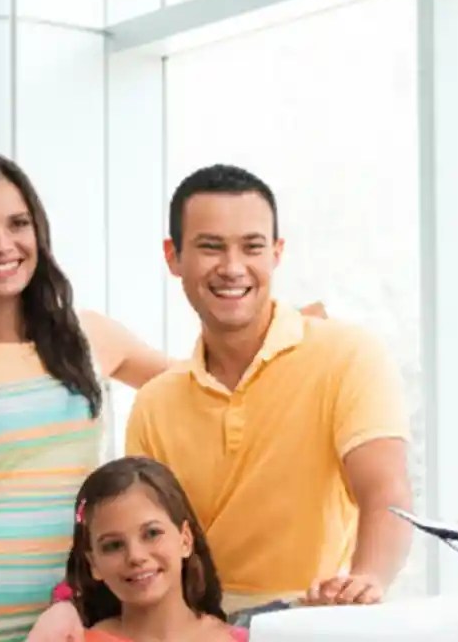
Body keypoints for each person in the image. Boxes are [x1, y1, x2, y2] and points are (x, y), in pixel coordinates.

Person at [0, 155, 174, 642]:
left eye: (17, 224)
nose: (3, 245)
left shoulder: (91, 336)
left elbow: (200, 389)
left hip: (64, 624)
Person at [126, 164, 413, 614]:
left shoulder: (348, 355)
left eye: (252, 247)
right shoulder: (154, 403)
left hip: (311, 621)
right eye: (210, 247)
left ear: (277, 253)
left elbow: (386, 492)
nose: (232, 267)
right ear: (173, 256)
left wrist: (365, 583)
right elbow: (145, 548)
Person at [62, 456, 247, 642]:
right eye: (114, 545)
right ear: (93, 564)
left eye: (152, 533)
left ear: (185, 540)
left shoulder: (238, 637)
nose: (135, 556)